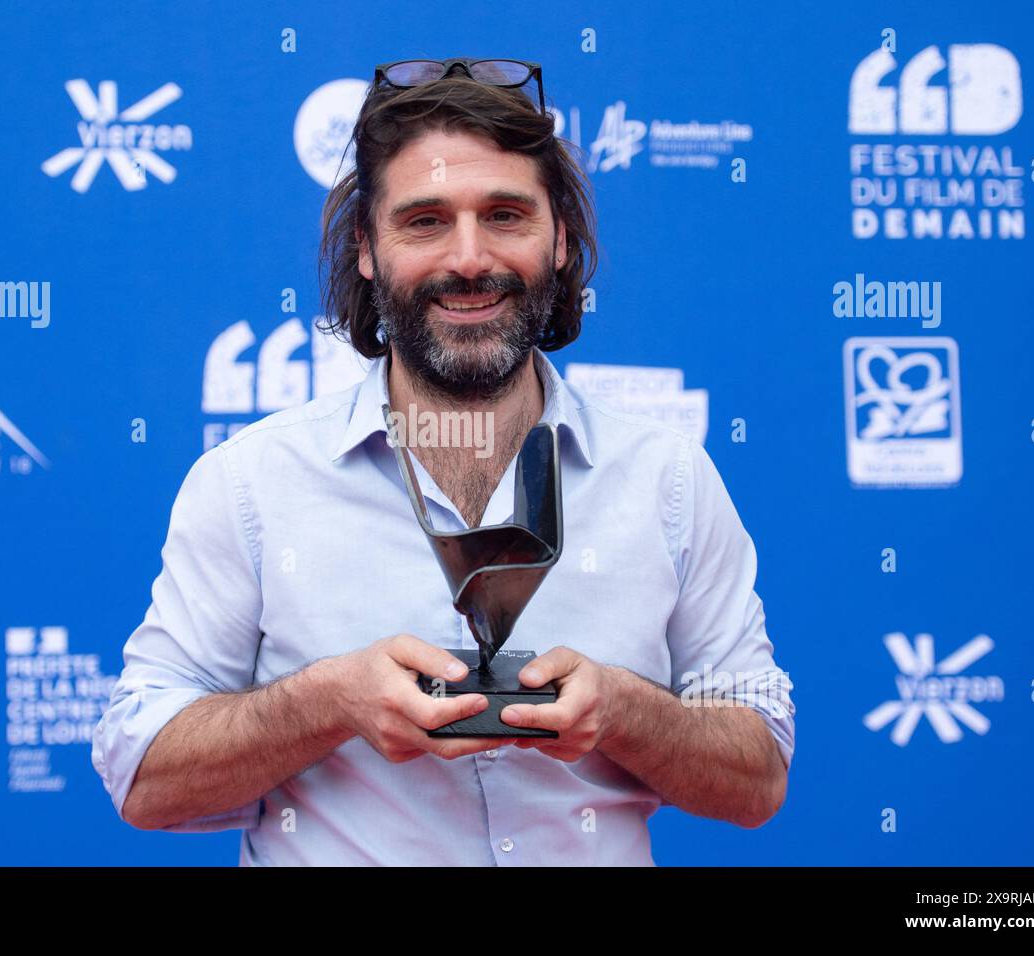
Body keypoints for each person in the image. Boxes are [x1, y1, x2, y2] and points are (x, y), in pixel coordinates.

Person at [93, 57, 794, 865]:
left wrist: (627, 712)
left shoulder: (668, 480)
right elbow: (142, 776)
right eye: (425, 221)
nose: (468, 258)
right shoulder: (250, 485)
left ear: (560, 239)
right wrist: (327, 703)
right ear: (366, 247)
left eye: (505, 215)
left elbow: (760, 778)